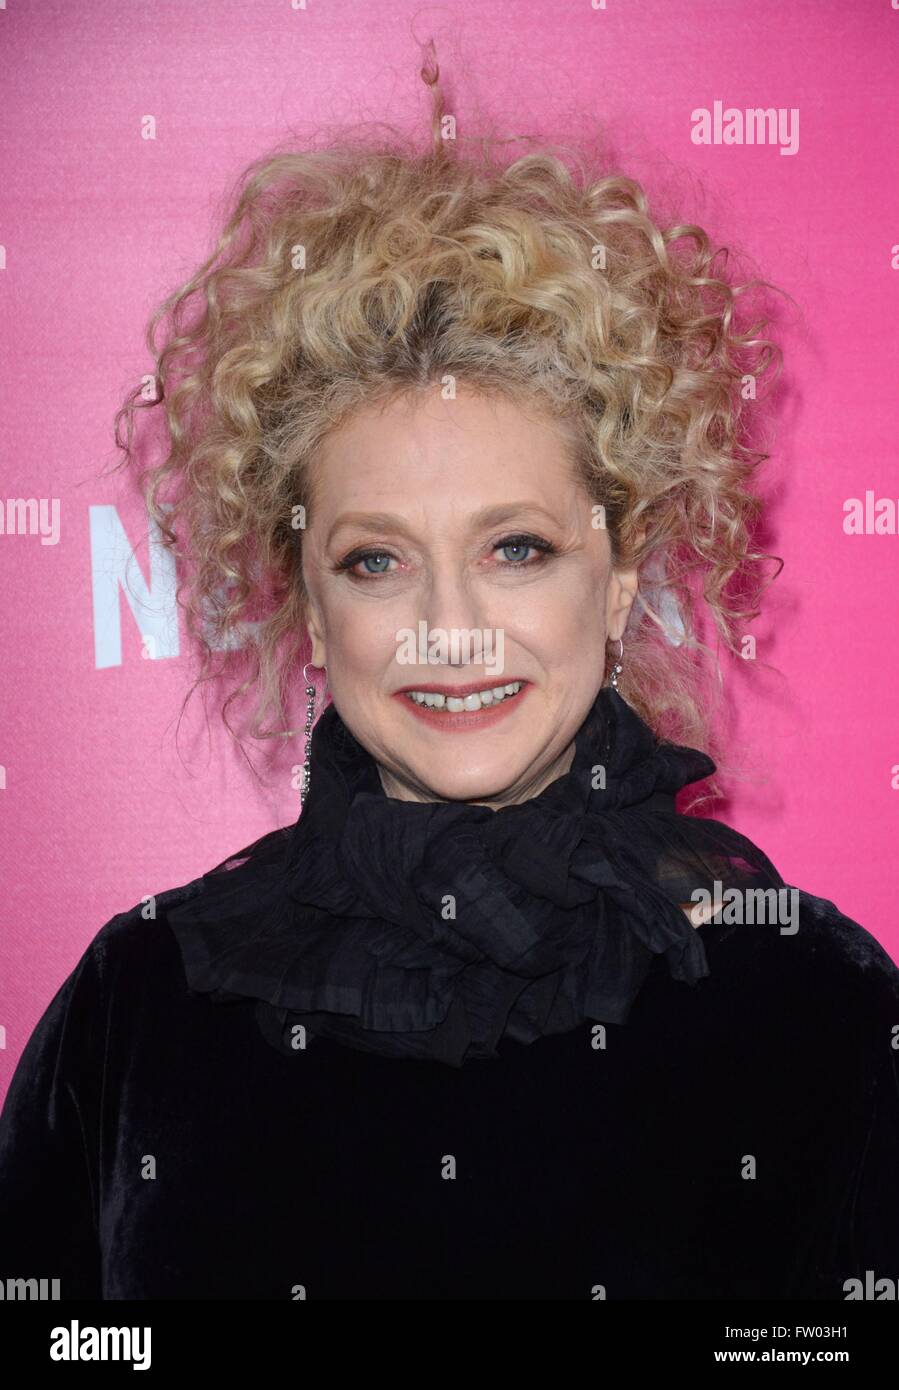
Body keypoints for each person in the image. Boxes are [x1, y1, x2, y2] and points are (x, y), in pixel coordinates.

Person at [1, 53, 897, 1302]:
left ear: (620, 574)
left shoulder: (811, 1004)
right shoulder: (141, 1003)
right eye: (377, 561)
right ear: (310, 607)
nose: (451, 628)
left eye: (514, 548)